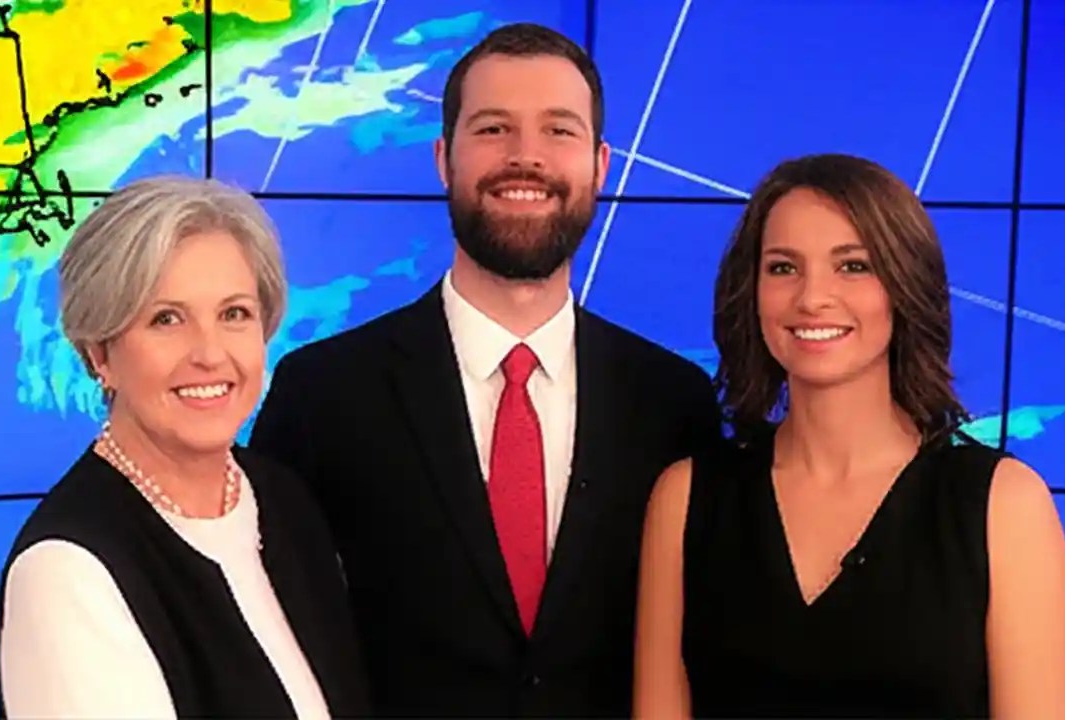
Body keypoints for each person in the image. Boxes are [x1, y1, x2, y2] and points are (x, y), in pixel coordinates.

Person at [250, 22, 722, 719]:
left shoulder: (673, 404)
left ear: (600, 164)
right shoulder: (321, 393)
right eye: (494, 128)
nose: (524, 157)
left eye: (558, 131)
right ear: (444, 158)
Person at [633, 153, 1065, 718]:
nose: (813, 297)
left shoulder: (1003, 507)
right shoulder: (687, 498)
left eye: (852, 266)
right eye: (782, 268)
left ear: (904, 286)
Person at [0, 176, 369, 719]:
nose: (210, 354)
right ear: (100, 354)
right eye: (167, 319)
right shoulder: (66, 572)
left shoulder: (284, 500)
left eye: (234, 313)